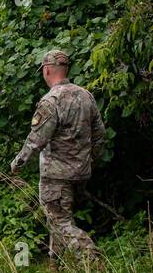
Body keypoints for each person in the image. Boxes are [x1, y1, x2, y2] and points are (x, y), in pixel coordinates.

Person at [10, 49, 106, 259]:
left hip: (56, 176)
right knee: (58, 220)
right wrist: (91, 161)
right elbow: (100, 135)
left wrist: (18, 163)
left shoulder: (51, 101)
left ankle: (92, 259)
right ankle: (56, 272)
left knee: (60, 222)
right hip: (81, 173)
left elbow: (36, 140)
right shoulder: (85, 95)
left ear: (46, 71)